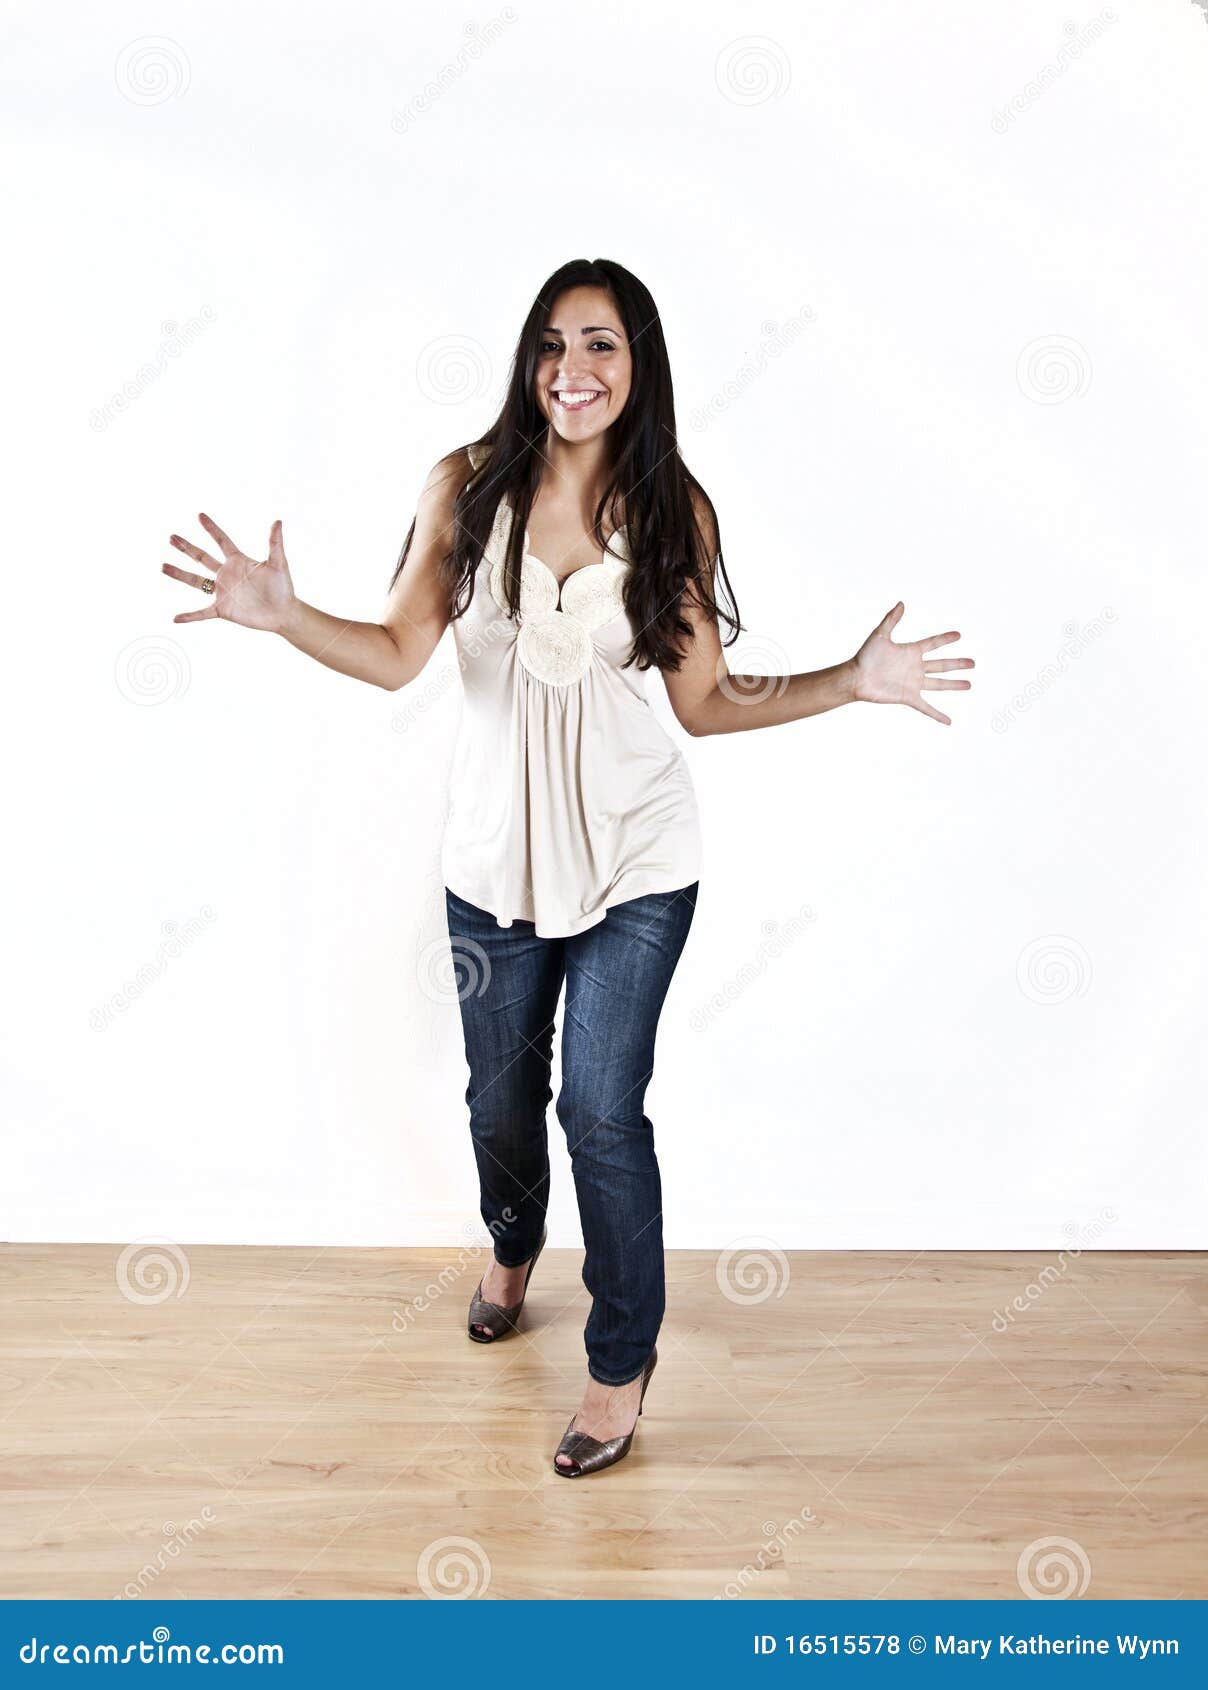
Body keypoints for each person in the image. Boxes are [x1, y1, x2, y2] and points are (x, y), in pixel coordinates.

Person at [161, 256, 974, 1477]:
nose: (570, 371)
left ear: (636, 362)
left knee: (599, 1107)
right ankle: (511, 1237)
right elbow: (394, 653)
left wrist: (848, 684)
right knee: (498, 1101)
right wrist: (285, 615)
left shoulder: (670, 508)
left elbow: (702, 703)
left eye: (597, 344)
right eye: (550, 344)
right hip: (493, 863)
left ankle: (617, 1361)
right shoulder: (467, 487)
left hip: (638, 858)